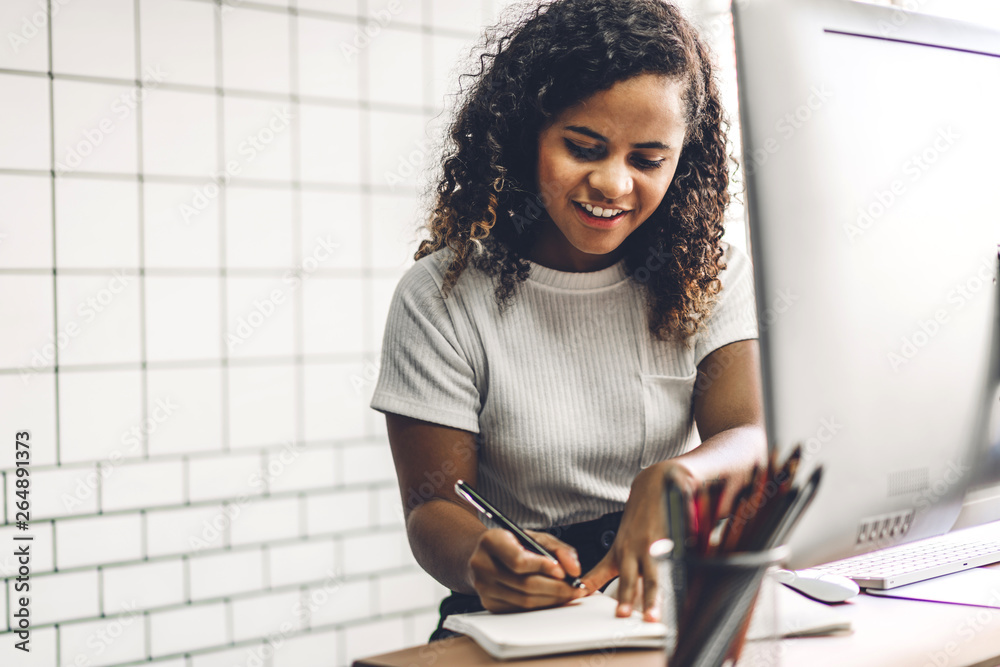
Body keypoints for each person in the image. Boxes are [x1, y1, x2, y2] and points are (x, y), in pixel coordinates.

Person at [370, 0, 766, 641]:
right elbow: (433, 507)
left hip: (660, 610)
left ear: (681, 159)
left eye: (648, 160)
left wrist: (682, 475)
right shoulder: (440, 296)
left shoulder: (703, 271)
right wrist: (483, 558)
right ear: (528, 135)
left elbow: (750, 435)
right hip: (513, 618)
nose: (613, 182)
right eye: (584, 147)